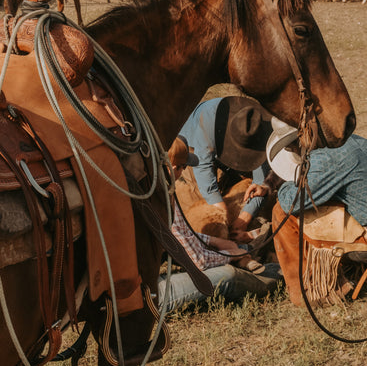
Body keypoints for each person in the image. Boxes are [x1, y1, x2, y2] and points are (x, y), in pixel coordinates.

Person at [157, 136, 283, 312]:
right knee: (229, 275)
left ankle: (268, 268)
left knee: (239, 252)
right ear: (174, 168)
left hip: (146, 279)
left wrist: (213, 241)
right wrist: (230, 255)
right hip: (149, 293)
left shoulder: (158, 188)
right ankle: (274, 279)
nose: (183, 173)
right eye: (184, 167)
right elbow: (198, 261)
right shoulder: (160, 197)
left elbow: (178, 236)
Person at [260, 119, 367, 305]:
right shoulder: (350, 142)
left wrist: (285, 184)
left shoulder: (328, 159)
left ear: (300, 141)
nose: (292, 152)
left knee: (281, 213)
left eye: (291, 148)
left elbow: (290, 202)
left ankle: (310, 289)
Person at [180, 96, 273, 243]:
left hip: (222, 142)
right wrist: (223, 215)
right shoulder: (206, 126)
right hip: (193, 146)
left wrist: (244, 219)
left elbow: (261, 182)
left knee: (248, 198)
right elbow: (205, 176)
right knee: (202, 207)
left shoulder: (256, 126)